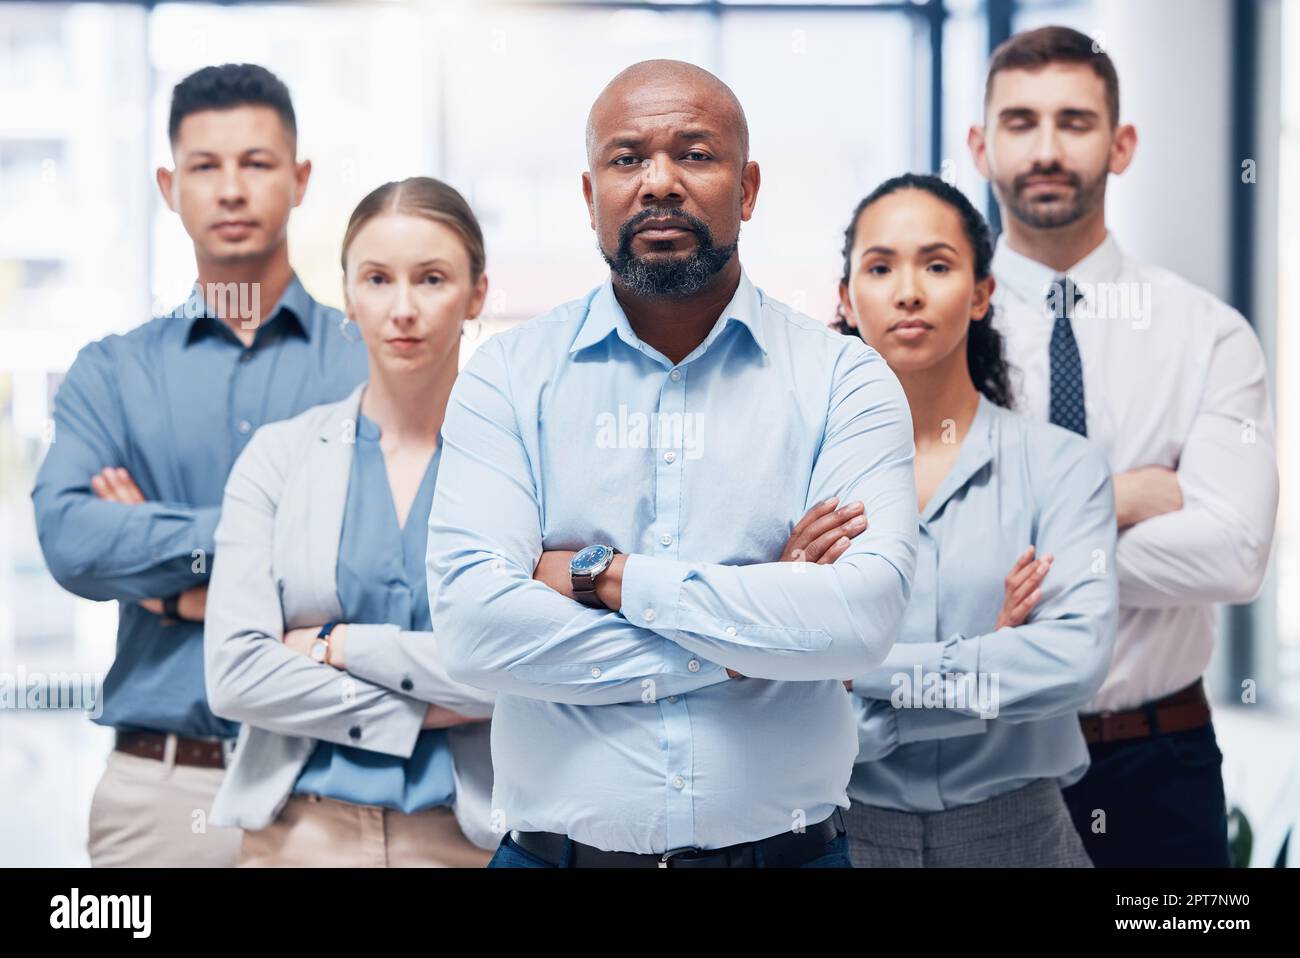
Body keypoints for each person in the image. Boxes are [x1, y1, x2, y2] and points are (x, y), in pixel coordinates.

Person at [425, 59, 919, 869]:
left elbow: (860, 622)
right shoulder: (508, 378)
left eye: (694, 154)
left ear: (747, 189)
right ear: (590, 197)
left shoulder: (844, 380)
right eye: (627, 159)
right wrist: (750, 642)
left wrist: (606, 576)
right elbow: (476, 633)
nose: (659, 183)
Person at [30, 63, 366, 867]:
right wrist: (284, 537)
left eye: (256, 163)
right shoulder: (112, 371)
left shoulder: (369, 363)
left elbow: (387, 563)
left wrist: (179, 591)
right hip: (163, 793)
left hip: (337, 784)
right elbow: (73, 540)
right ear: (166, 185)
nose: (230, 189)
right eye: (204, 167)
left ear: (300, 178)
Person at [969, 25, 1279, 866]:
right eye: (1020, 121)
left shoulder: (1208, 334)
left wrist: (1023, 549)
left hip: (1158, 760)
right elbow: (921, 562)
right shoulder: (938, 333)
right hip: (979, 755)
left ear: (1121, 143)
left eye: (1074, 121)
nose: (1046, 148)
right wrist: (1125, 498)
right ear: (980, 145)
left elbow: (1235, 555)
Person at [203, 177, 497, 867]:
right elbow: (237, 673)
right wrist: (429, 703)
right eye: (376, 279)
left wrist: (341, 646)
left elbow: (533, 671)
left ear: (476, 294)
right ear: (347, 294)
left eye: (431, 279)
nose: (402, 309)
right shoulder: (279, 457)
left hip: (472, 841)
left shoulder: (522, 468)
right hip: (297, 838)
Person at [834, 173, 1116, 866]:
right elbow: (769, 683)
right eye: (879, 267)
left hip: (1021, 836)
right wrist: (987, 666)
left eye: (937, 264)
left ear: (983, 293)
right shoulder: (796, 476)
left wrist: (861, 671)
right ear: (845, 299)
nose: (908, 291)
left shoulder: (1062, 467)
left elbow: (1076, 660)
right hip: (842, 835)